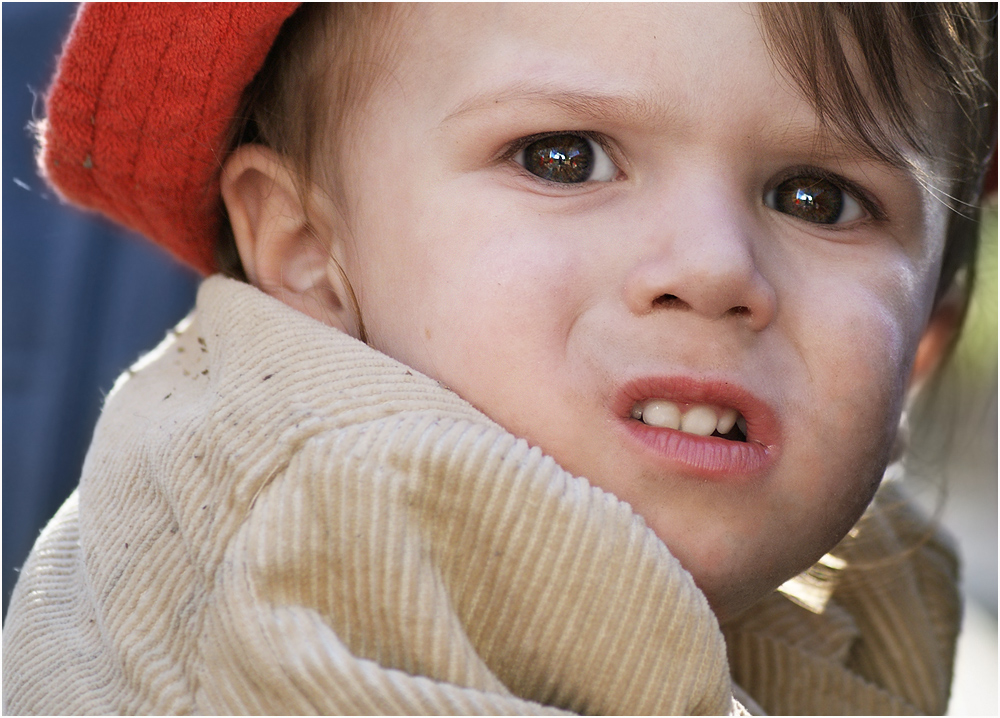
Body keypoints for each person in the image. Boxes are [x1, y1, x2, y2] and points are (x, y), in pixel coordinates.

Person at [3, 3, 995, 714]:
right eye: (563, 156)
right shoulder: (329, 539)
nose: (710, 267)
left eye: (816, 196)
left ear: (922, 342)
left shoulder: (845, 599)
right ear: (309, 251)